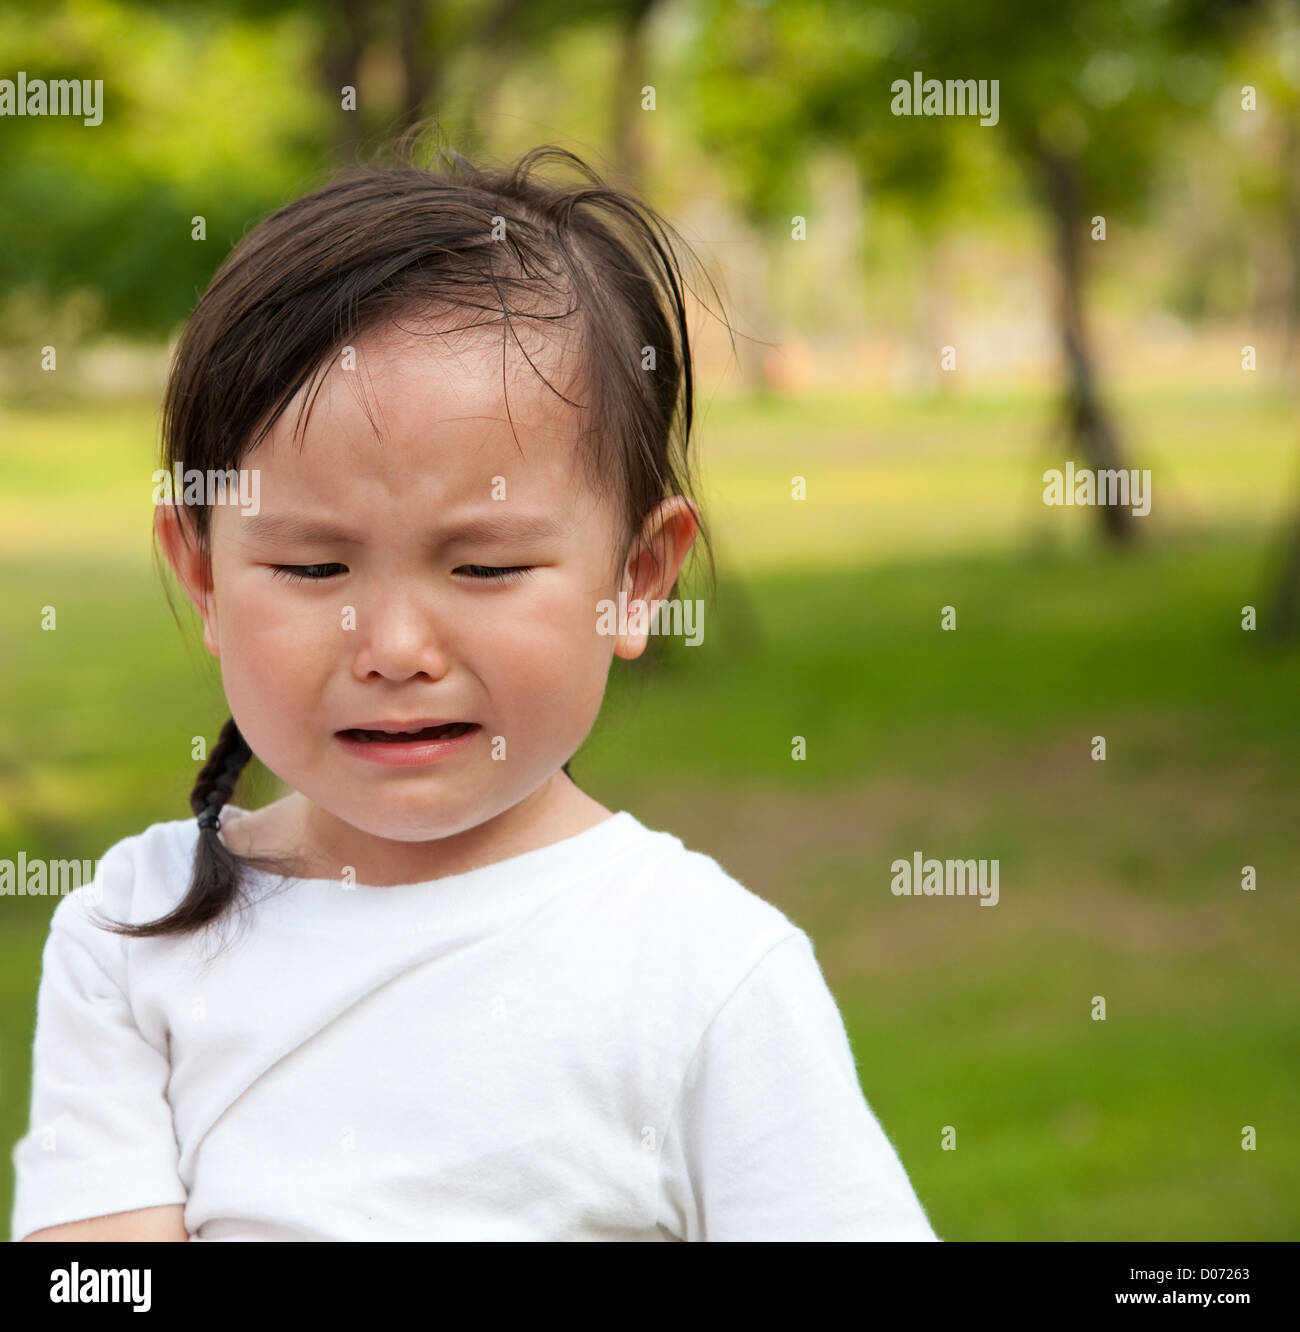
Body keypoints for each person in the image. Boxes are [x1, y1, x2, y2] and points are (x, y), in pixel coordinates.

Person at [11, 137, 938, 1242]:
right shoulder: (133, 939)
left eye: (485, 567)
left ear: (635, 581)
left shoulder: (704, 972)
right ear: (203, 574)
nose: (394, 646)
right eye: (314, 568)